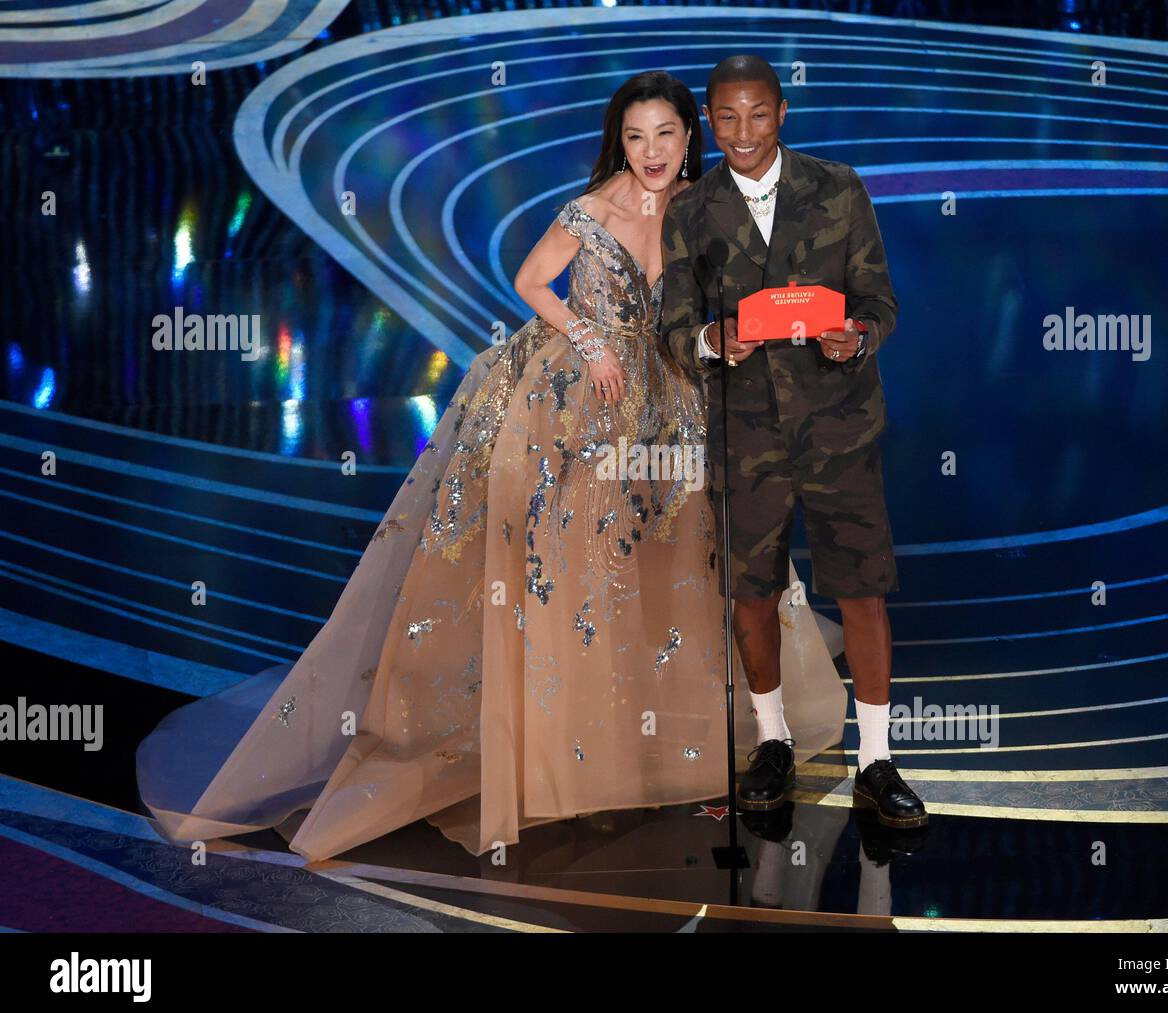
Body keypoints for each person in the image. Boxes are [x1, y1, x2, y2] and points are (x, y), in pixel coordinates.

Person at [135, 71, 846, 862]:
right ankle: (566, 744)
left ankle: (673, 712)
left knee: (681, 550)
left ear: (691, 137)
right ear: (622, 139)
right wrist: (591, 340)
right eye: (637, 136)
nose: (651, 152)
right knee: (577, 563)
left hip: (678, 382)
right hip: (586, 389)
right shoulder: (593, 207)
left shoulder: (701, 204)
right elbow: (531, 283)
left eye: (667, 135)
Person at [659, 55, 928, 827]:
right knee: (751, 591)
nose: (743, 132)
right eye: (727, 118)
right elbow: (675, 326)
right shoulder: (691, 211)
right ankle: (771, 742)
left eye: (758, 115)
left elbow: (881, 298)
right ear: (711, 122)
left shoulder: (838, 188)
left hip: (841, 426)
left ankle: (878, 759)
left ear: (782, 113)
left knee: (862, 589)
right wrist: (713, 341)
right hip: (743, 433)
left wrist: (859, 337)